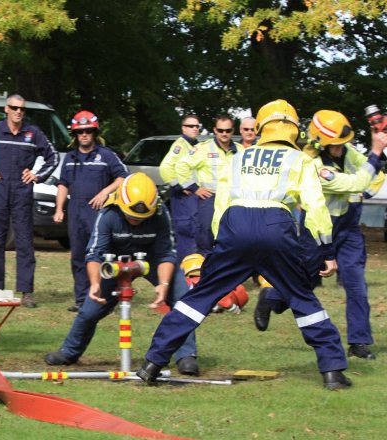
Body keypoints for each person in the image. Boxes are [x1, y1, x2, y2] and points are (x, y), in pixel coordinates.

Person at [137, 99, 353, 390]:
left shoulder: (238, 157)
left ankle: (153, 362)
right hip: (277, 226)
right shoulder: (300, 159)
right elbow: (315, 208)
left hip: (235, 224)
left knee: (201, 297)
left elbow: (221, 206)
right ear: (293, 128)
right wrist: (326, 251)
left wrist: (216, 245)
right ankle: (332, 371)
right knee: (302, 297)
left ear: (262, 127)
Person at [254, 110, 387, 361]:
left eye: (343, 142)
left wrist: (370, 176)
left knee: (356, 285)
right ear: (322, 143)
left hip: (348, 229)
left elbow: (373, 174)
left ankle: (359, 342)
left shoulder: (348, 151)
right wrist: (375, 152)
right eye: (336, 144)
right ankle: (271, 297)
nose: (342, 147)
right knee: (306, 282)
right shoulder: (313, 164)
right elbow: (354, 182)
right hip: (318, 229)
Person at [45, 173, 200, 376]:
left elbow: (166, 254)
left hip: (152, 259)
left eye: (142, 218)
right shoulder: (108, 214)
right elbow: (94, 254)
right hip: (114, 262)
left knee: (182, 299)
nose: (136, 221)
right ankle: (69, 352)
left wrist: (163, 284)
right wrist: (94, 284)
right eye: (132, 217)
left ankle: (186, 355)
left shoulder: (161, 213)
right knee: (90, 310)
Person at [0, 94, 59, 308]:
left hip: (22, 191)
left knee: (24, 241)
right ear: (6, 109)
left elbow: (54, 156)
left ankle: (26, 292)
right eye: (14, 108)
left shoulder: (33, 133)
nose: (18, 112)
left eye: (22, 109)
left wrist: (38, 175)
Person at [53, 111, 128, 312]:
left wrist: (105, 192)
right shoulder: (69, 157)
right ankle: (81, 299)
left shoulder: (106, 155)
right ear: (75, 135)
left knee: (100, 255)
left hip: (99, 214)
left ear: (94, 132)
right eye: (80, 132)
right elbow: (63, 184)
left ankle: (105, 299)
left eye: (88, 131)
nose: (84, 135)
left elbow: (122, 177)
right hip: (76, 212)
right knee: (78, 256)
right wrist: (59, 208)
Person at [175, 115, 241, 256]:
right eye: (220, 130)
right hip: (210, 198)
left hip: (234, 200)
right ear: (215, 130)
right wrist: (194, 188)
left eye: (228, 130)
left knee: (234, 237)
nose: (224, 133)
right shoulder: (203, 149)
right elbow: (181, 166)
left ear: (233, 131)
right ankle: (206, 270)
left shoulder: (242, 151)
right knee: (206, 236)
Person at [159, 115, 200, 262]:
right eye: (191, 126)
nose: (195, 129)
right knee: (186, 235)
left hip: (192, 199)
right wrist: (178, 186)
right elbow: (165, 167)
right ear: (183, 128)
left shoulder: (193, 145)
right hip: (183, 199)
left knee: (193, 234)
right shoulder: (181, 145)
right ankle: (185, 275)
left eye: (197, 126)